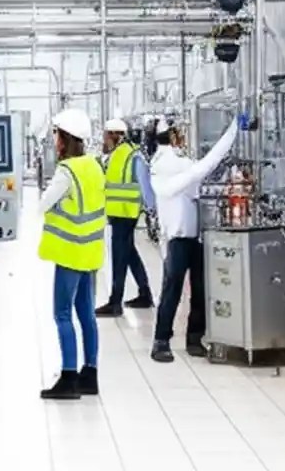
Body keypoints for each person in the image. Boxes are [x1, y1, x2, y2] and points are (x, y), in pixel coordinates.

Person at [148, 114, 241, 363]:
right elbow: (203, 167)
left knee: (200, 290)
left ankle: (194, 338)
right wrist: (232, 131)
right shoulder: (165, 165)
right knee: (172, 290)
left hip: (195, 237)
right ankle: (161, 340)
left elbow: (201, 179)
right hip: (177, 239)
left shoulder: (178, 162)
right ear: (172, 137)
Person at [38, 108, 107, 400]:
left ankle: (68, 378)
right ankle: (89, 375)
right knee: (86, 314)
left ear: (65, 138)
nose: (54, 139)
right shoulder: (94, 166)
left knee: (62, 314)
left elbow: (43, 203)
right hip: (90, 252)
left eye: (56, 134)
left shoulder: (66, 172)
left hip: (70, 253)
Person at [95, 118, 155, 317]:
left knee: (119, 258)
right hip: (118, 213)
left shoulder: (132, 155)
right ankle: (145, 294)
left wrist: (152, 209)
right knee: (128, 253)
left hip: (125, 214)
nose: (104, 139)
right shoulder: (116, 155)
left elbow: (144, 184)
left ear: (115, 135)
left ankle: (115, 302)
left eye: (106, 135)